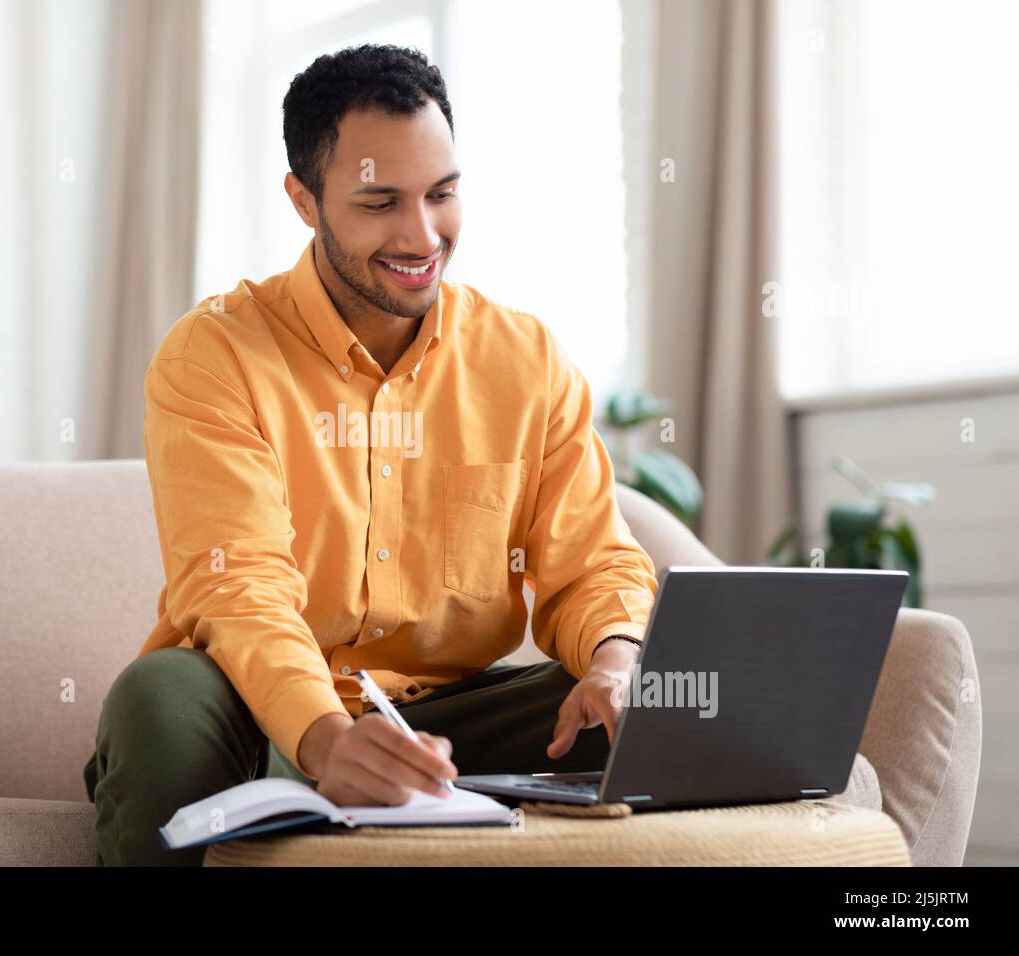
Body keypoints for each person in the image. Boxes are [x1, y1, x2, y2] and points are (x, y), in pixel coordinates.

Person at [83, 43, 659, 866]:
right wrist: (324, 739)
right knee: (163, 700)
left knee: (647, 712)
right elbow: (238, 584)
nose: (422, 234)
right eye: (380, 201)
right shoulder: (214, 356)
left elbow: (591, 564)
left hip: (450, 727)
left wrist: (615, 662)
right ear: (304, 200)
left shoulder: (526, 361)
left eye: (443, 193)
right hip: (267, 718)